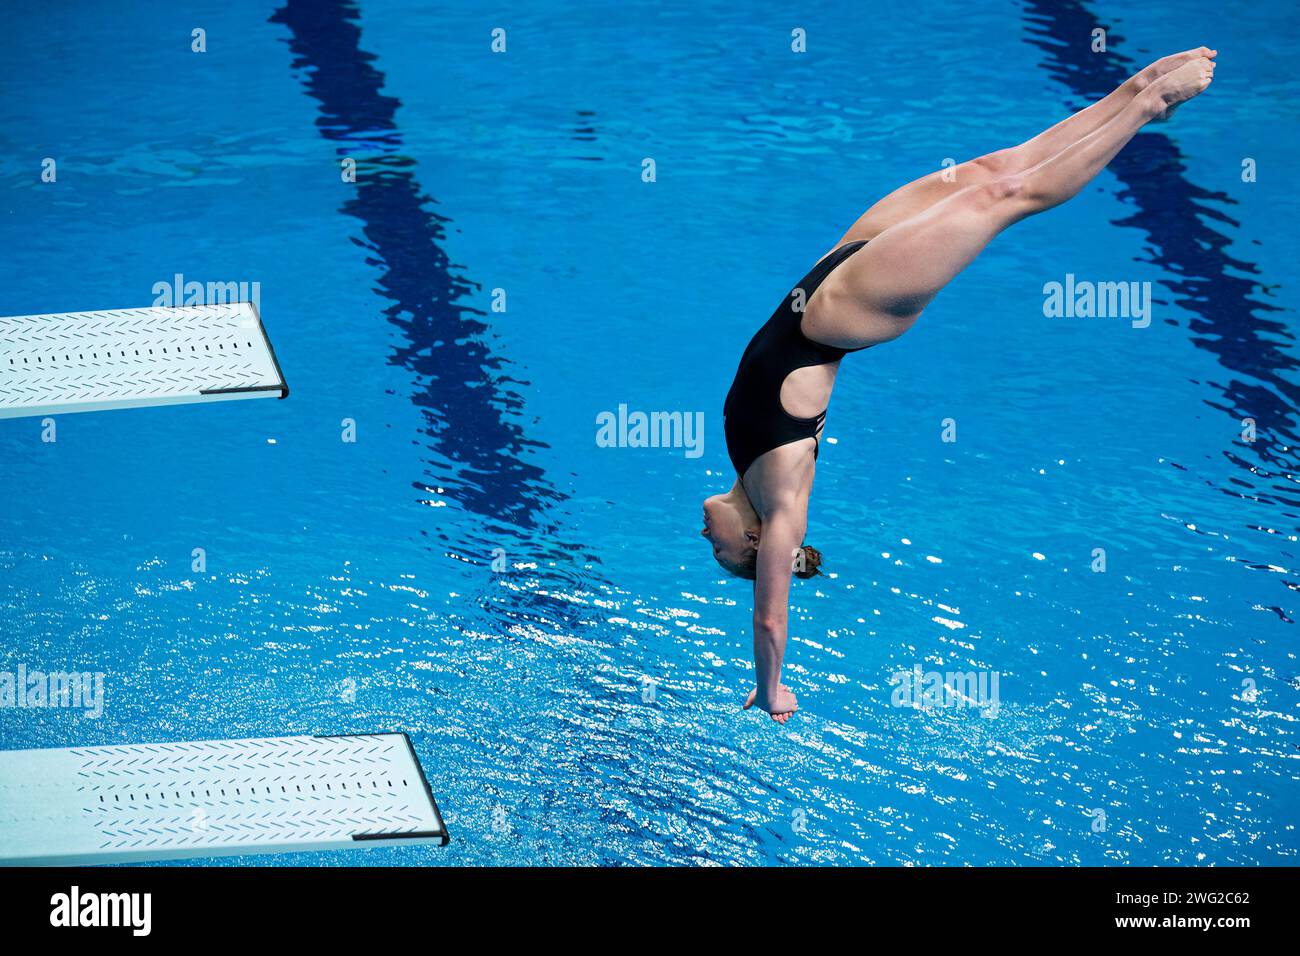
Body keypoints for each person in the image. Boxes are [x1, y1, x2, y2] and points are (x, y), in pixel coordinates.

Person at [701, 49, 1217, 724]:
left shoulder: (746, 469)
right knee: (1003, 198)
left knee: (987, 171)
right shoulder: (782, 504)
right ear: (750, 542)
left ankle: (1138, 85)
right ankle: (1148, 109)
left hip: (823, 280)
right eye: (713, 550)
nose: (701, 534)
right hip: (845, 310)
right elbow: (769, 621)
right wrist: (771, 691)